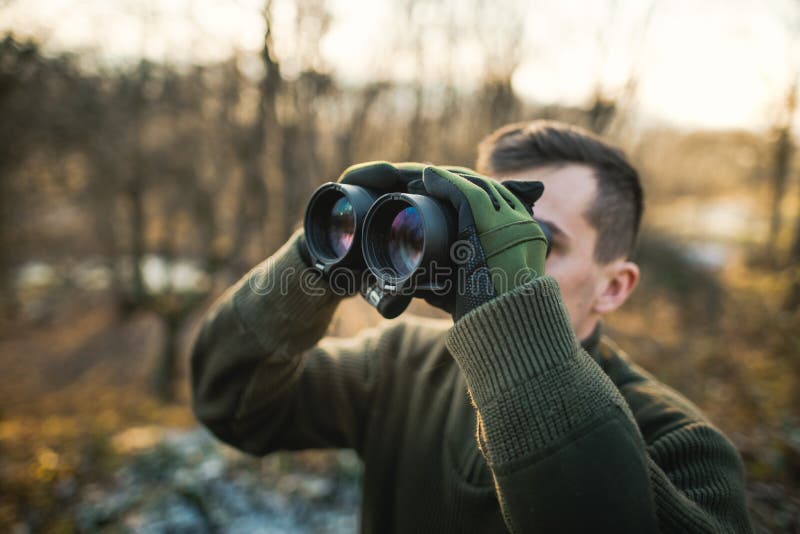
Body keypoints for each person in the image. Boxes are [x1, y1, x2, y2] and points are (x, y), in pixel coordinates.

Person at [190, 120, 753, 533]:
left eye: (536, 243)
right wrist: (321, 258)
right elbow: (233, 403)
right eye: (483, 228)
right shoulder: (403, 362)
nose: (479, 259)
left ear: (614, 286)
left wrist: (513, 319)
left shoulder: (684, 446)